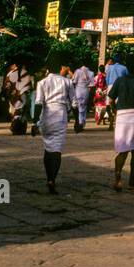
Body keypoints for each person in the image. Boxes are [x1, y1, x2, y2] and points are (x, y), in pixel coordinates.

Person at [33, 64, 75, 193]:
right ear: (61, 67)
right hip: (60, 116)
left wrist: (35, 123)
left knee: (48, 147)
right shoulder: (67, 82)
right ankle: (52, 179)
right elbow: (74, 102)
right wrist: (78, 121)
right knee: (57, 150)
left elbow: (39, 103)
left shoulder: (42, 82)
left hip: (46, 116)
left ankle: (48, 177)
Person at [109, 53, 134, 191]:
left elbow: (111, 100)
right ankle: (131, 182)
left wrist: (114, 111)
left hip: (121, 116)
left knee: (122, 150)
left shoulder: (120, 81)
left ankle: (118, 179)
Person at [71, 61, 92, 133]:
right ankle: (82, 123)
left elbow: (74, 81)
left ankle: (79, 123)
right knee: (84, 107)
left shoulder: (78, 71)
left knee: (78, 106)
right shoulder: (91, 73)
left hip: (78, 91)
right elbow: (92, 84)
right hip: (86, 91)